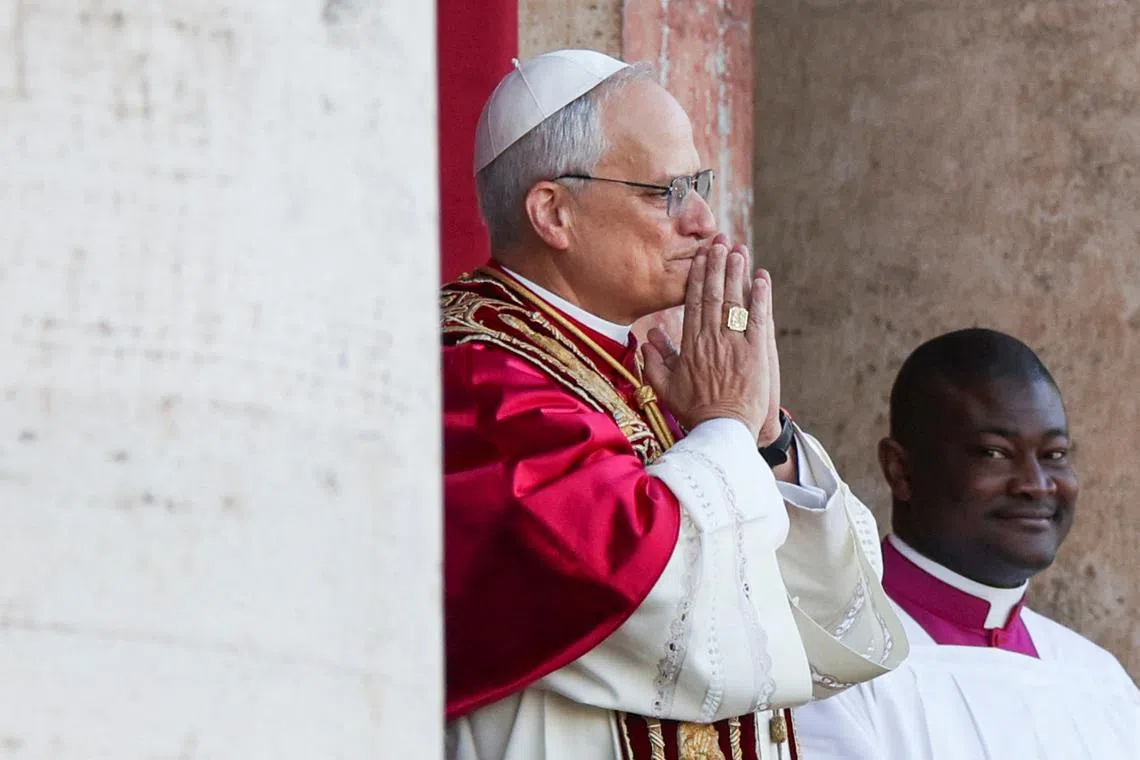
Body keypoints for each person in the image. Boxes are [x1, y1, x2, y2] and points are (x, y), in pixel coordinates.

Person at [441, 49, 908, 760]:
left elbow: (815, 633)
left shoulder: (644, 376)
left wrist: (765, 441)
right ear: (554, 213)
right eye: (666, 192)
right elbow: (643, 598)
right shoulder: (477, 380)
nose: (704, 222)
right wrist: (723, 427)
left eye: (699, 185)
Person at [794, 328, 1140, 759]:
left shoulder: (1099, 680)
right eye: (995, 453)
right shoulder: (830, 664)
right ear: (901, 470)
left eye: (1053, 454)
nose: (1037, 484)